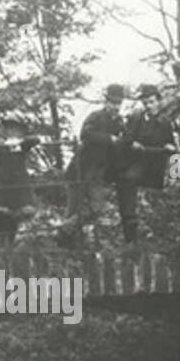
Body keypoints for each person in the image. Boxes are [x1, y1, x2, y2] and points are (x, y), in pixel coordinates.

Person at [66, 83, 127, 245]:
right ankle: (69, 242)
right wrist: (109, 139)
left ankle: (72, 234)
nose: (116, 107)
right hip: (81, 169)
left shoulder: (120, 123)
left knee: (97, 208)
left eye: (119, 103)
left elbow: (124, 143)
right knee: (74, 207)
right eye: (113, 102)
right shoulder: (95, 116)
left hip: (99, 173)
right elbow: (85, 134)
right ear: (106, 102)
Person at [0, 115, 42, 248]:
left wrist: (20, 142)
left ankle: (7, 266)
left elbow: (35, 140)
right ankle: (0, 268)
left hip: (18, 197)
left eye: (15, 129)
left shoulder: (21, 147)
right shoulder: (0, 147)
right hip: (1, 197)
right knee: (1, 237)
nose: (11, 132)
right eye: (9, 128)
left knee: (11, 237)